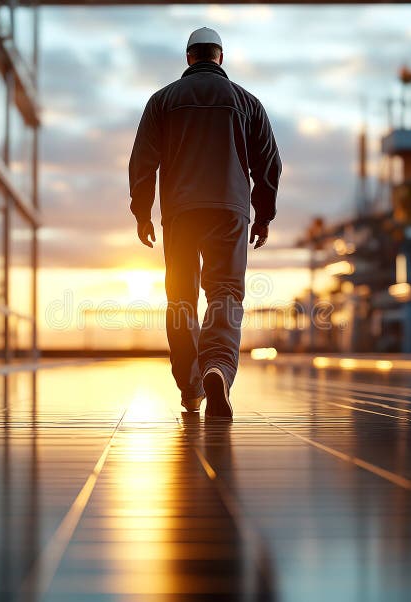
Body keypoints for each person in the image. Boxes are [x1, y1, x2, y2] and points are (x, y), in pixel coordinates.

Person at [129, 27, 282, 418]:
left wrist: (142, 212)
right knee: (225, 292)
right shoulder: (247, 102)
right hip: (230, 211)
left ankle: (191, 387)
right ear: (220, 57)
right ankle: (218, 367)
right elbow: (269, 165)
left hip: (180, 212)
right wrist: (263, 215)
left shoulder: (162, 101)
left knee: (181, 296)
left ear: (188, 58)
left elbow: (142, 161)